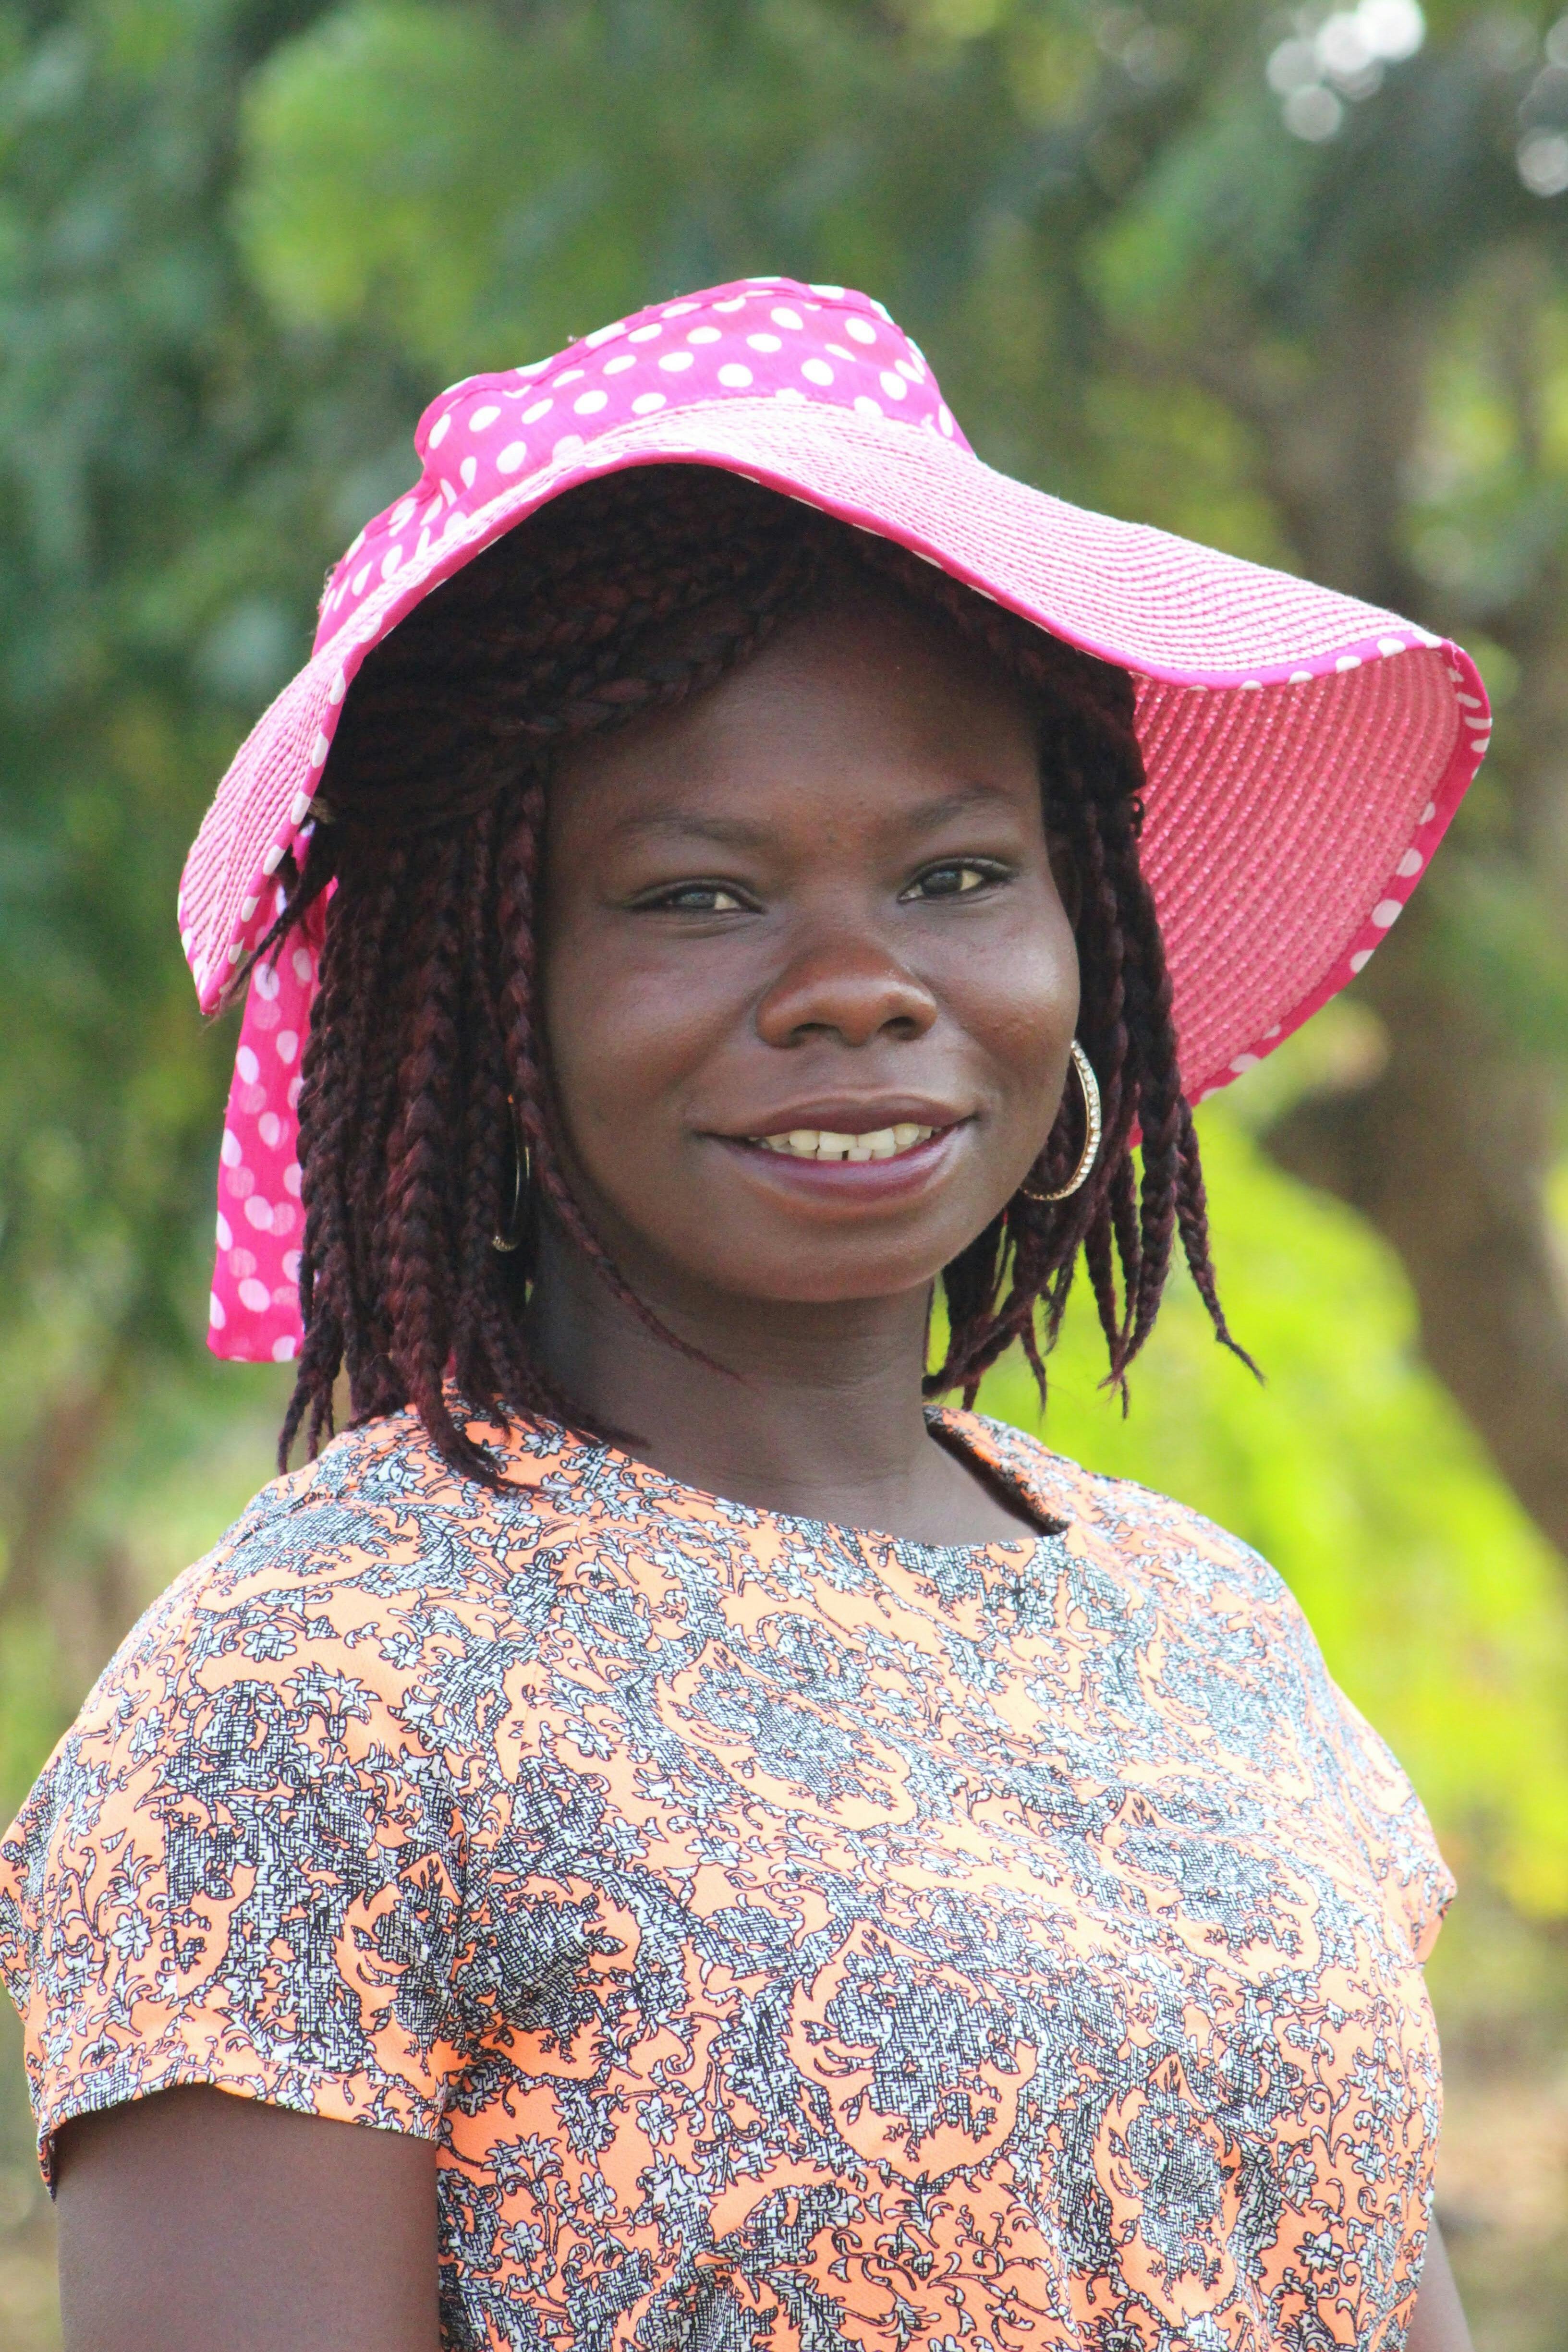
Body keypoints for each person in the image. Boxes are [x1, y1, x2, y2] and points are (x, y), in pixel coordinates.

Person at [0, 279, 1480, 2351]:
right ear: (481, 992)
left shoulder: (1208, 1626)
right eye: (696, 895)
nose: (857, 983)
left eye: (955, 875)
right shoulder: (315, 1698)